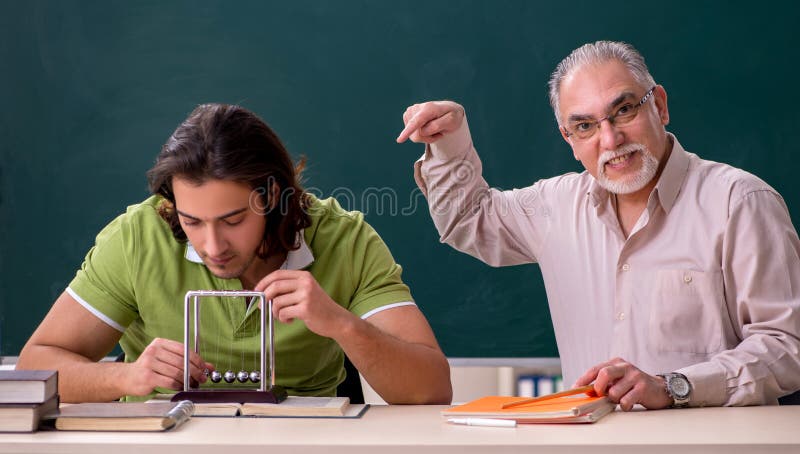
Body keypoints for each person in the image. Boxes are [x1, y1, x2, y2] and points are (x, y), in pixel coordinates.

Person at [396, 40, 800, 410]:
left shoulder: (740, 203)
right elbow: (468, 219)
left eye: (624, 110)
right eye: (585, 126)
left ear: (659, 105)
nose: (610, 139)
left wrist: (675, 386)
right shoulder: (555, 207)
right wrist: (449, 142)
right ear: (568, 138)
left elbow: (787, 346)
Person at [18, 103, 452, 405]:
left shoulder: (345, 241)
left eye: (232, 221)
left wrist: (341, 324)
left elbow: (432, 388)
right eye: (191, 222)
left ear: (273, 195)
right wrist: (125, 376)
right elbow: (35, 365)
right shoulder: (137, 237)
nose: (212, 247)